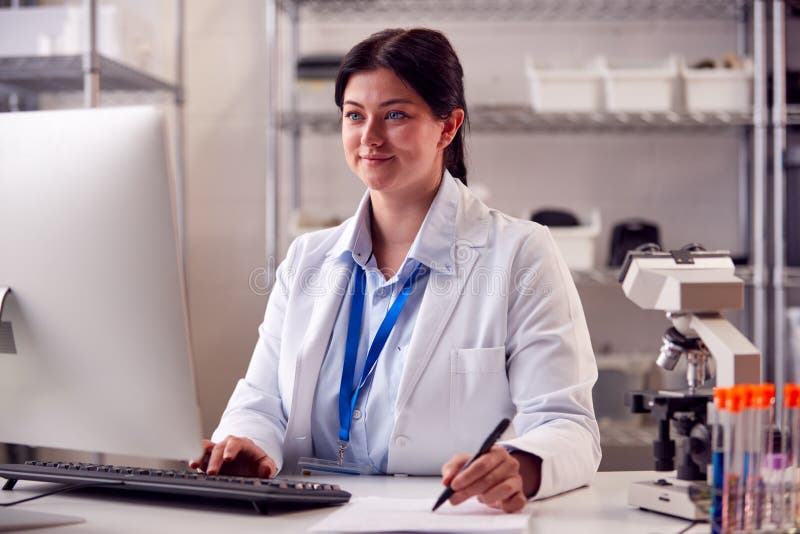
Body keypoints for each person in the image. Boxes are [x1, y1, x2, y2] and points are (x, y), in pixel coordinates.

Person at [190, 27, 600, 513]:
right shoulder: (307, 259)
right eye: (354, 116)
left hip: (451, 518)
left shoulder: (521, 253)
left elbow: (567, 423)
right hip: (312, 516)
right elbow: (261, 401)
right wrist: (248, 446)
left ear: (447, 128)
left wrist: (522, 465)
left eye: (396, 115)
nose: (369, 137)